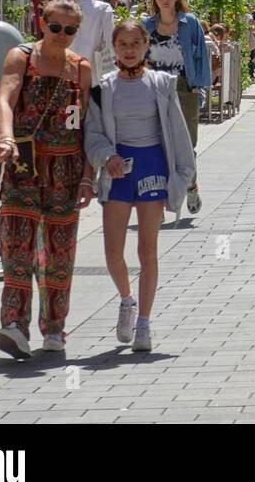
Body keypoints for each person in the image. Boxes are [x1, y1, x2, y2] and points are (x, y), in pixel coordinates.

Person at [0, 0, 95, 359]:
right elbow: (5, 97)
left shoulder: (81, 67)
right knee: (16, 245)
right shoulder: (21, 57)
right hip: (24, 162)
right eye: (55, 27)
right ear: (41, 23)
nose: (61, 35)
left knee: (59, 251)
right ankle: (14, 325)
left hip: (65, 169)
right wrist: (5, 136)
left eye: (69, 30)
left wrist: (88, 175)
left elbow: (89, 126)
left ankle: (54, 328)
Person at [84, 19, 196, 353]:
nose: (130, 50)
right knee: (112, 252)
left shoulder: (161, 84)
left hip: (152, 168)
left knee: (147, 249)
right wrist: (107, 157)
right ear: (113, 49)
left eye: (136, 44)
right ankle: (126, 301)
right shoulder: (103, 88)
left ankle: (145, 322)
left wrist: (185, 172)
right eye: (123, 44)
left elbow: (178, 131)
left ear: (146, 46)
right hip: (118, 171)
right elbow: (92, 134)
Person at [142, 0, 209, 215]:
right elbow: (141, 57)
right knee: (158, 145)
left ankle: (191, 185)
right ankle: (160, 199)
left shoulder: (189, 23)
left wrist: (198, 86)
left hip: (184, 87)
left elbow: (201, 54)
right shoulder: (147, 26)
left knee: (187, 145)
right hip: (157, 88)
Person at [64, 0, 115, 81]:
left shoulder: (62, 8)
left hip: (67, 72)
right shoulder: (103, 9)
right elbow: (110, 43)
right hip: (96, 75)